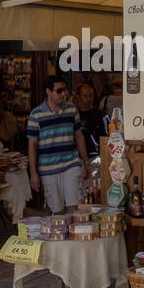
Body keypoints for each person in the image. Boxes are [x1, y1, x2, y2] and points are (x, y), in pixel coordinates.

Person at [27, 76, 89, 213]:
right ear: (48, 92)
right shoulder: (36, 115)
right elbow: (32, 145)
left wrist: (85, 161)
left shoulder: (72, 109)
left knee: (75, 206)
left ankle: (75, 233)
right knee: (57, 211)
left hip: (71, 164)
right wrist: (33, 174)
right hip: (48, 168)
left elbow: (79, 135)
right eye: (59, 91)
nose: (64, 94)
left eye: (65, 90)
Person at [74, 81, 106, 158]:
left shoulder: (100, 114)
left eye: (90, 96)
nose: (89, 99)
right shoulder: (74, 115)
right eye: (85, 96)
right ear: (78, 97)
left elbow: (106, 136)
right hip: (78, 157)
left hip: (97, 155)